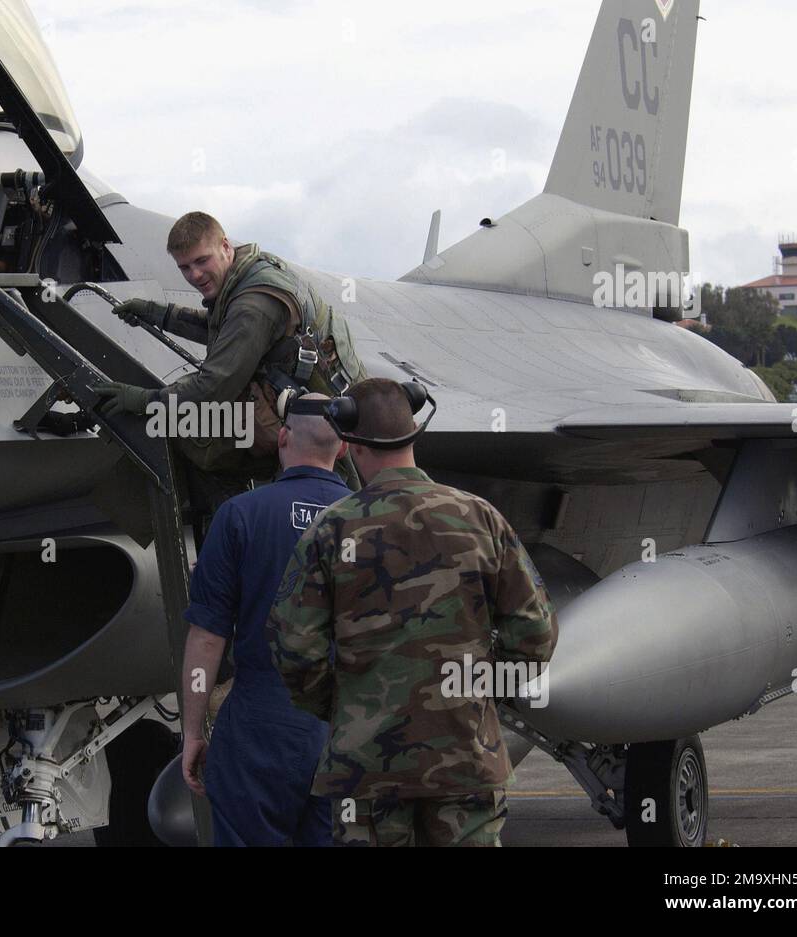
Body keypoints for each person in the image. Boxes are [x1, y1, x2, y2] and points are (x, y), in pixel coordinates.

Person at [267, 378, 557, 847]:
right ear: (414, 434)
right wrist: (478, 696)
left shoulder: (330, 530)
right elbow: (536, 633)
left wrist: (347, 708)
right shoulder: (481, 518)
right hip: (465, 758)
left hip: (366, 767)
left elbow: (296, 649)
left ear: (352, 444)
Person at [179, 394, 350, 846]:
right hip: (347, 725)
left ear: (282, 438)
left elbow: (207, 639)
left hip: (260, 724)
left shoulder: (239, 516)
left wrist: (193, 731)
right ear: (345, 448)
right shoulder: (373, 521)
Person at [93, 212, 364, 478]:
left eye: (202, 261)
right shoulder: (251, 270)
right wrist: (157, 314)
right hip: (328, 414)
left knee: (190, 432)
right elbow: (228, 333)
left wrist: (142, 400)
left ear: (225, 246)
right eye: (185, 267)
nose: (195, 275)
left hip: (321, 434)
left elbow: (212, 386)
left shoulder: (253, 307)